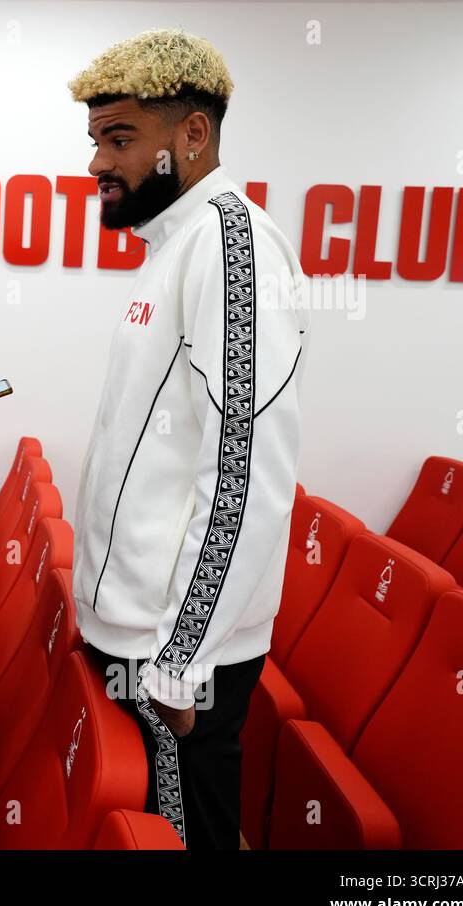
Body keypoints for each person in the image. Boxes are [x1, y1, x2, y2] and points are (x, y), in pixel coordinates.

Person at [67, 29, 308, 849]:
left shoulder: (232, 246)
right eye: (97, 139)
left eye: (121, 138)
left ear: (193, 135)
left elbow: (242, 474)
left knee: (179, 839)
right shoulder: (172, 245)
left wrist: (178, 660)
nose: (99, 161)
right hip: (131, 636)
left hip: (174, 655)